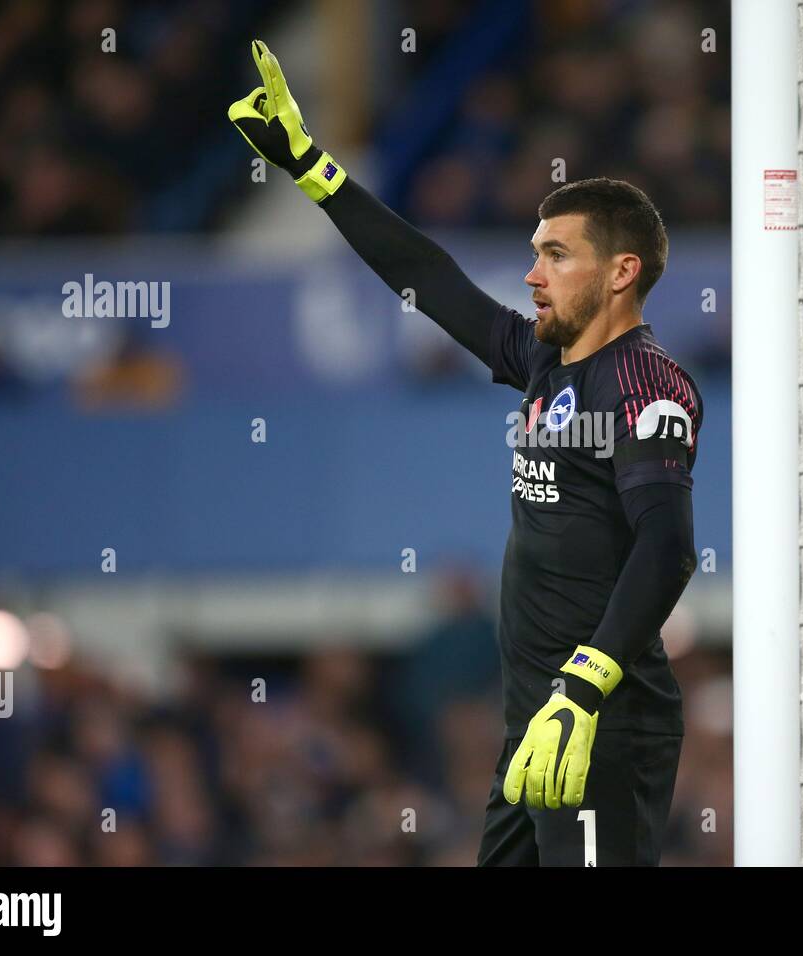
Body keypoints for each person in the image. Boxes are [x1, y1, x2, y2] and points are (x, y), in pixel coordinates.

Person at [228, 41, 703, 866]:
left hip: (600, 723)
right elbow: (430, 277)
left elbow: (667, 548)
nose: (533, 275)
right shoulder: (547, 362)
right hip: (538, 721)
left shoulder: (645, 385)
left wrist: (585, 690)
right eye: (533, 253)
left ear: (622, 272)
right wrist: (312, 168)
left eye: (556, 255)